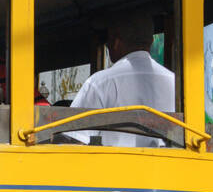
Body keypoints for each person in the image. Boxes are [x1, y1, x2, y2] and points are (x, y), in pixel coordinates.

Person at [66, 15, 175, 148]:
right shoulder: (175, 82)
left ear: (115, 42)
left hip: (114, 167)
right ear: (151, 42)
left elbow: (75, 141)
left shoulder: (99, 83)